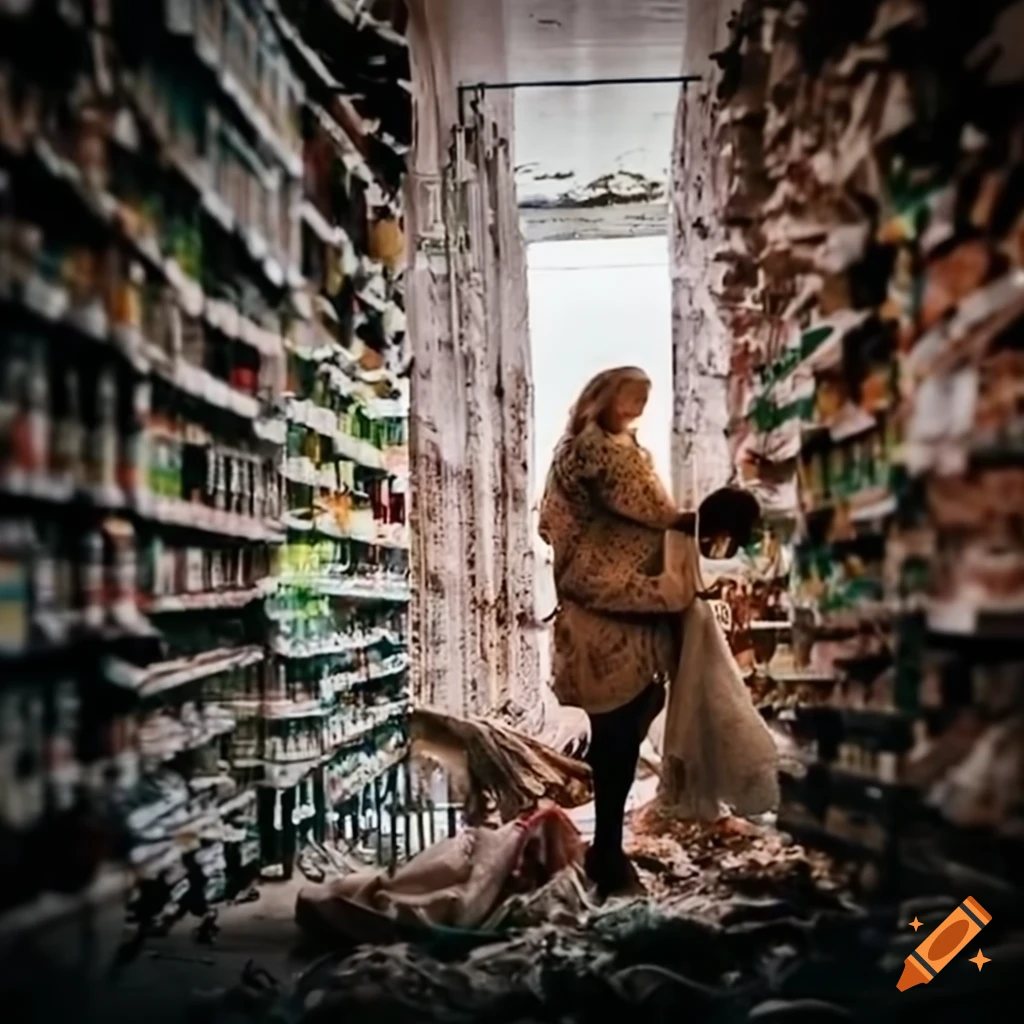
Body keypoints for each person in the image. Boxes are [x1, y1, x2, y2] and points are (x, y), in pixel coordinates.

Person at [538, 366, 757, 897]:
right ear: (604, 399)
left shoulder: (624, 451)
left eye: (643, 400)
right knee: (615, 736)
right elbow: (645, 510)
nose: (637, 408)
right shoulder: (592, 454)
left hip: (628, 621)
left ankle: (608, 847)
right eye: (631, 398)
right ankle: (607, 852)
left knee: (632, 722)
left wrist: (688, 530)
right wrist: (689, 526)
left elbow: (652, 515)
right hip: (605, 616)